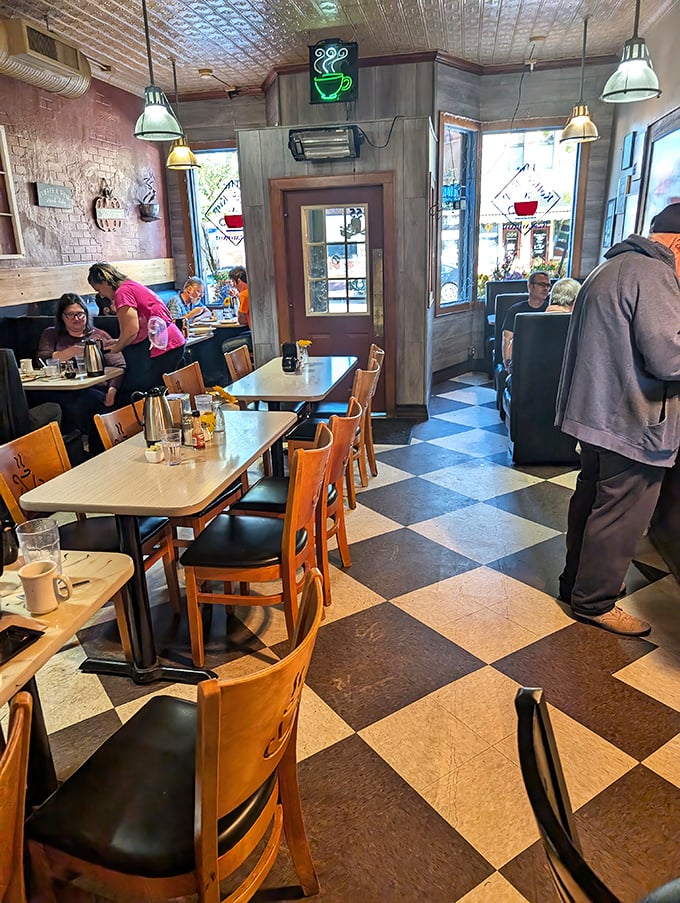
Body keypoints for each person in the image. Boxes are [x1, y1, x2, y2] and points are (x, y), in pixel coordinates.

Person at [555, 203, 680, 637]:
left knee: (590, 502)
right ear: (679, 243)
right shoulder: (655, 274)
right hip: (630, 420)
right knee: (620, 514)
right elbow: (669, 357)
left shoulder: (609, 268)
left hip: (593, 415)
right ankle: (596, 602)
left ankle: (574, 585)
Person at [35, 294, 126, 451]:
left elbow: (119, 365)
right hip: (59, 389)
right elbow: (42, 359)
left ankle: (86, 446)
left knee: (87, 400)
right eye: (70, 315)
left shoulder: (98, 335)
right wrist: (70, 352)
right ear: (62, 317)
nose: (76, 318)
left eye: (80, 313)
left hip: (95, 388)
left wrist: (111, 393)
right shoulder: (51, 334)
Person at [87, 263, 186, 405]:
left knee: (146, 395)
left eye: (98, 289)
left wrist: (117, 348)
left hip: (161, 346)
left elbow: (131, 330)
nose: (101, 295)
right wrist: (119, 341)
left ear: (105, 282)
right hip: (171, 340)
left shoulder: (122, 292)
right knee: (159, 393)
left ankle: (148, 424)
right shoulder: (131, 285)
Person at [502, 271, 551, 370]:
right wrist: (507, 363)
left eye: (548, 285)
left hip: (545, 359)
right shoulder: (515, 310)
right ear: (530, 286)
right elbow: (507, 339)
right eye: (542, 285)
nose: (546, 288)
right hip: (521, 358)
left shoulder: (550, 310)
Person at [221, 266, 252, 355]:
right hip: (259, 334)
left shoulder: (244, 295)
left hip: (255, 336)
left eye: (233, 282)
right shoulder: (251, 291)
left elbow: (242, 321)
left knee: (225, 345)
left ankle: (237, 368)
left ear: (238, 280)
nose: (234, 286)